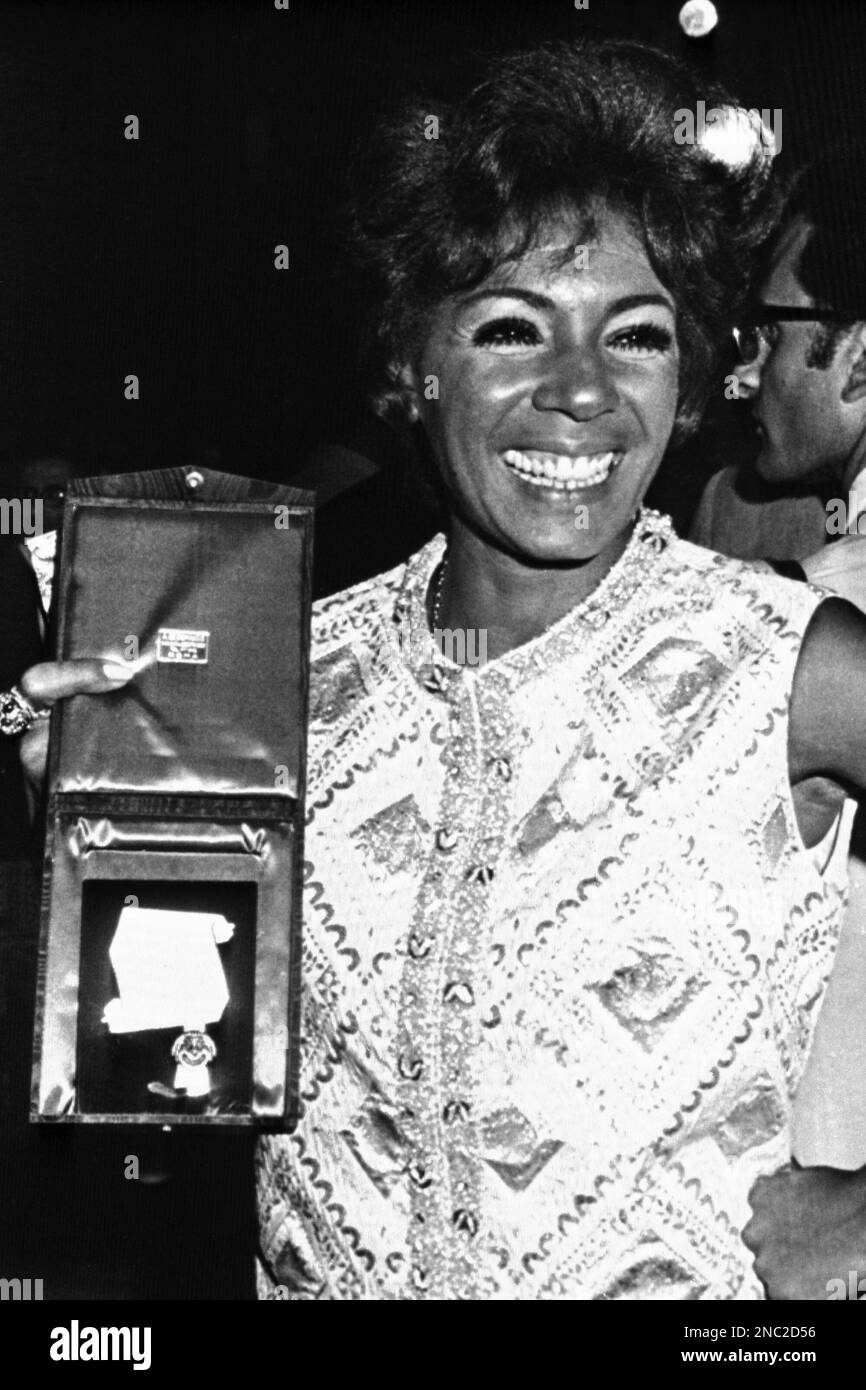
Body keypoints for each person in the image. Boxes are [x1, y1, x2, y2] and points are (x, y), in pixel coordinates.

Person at [11, 39, 866, 1299]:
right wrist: (93, 841)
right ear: (412, 363)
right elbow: (162, 1075)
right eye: (512, 328)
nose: (578, 391)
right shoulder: (280, 671)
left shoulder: (788, 667)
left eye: (635, 336)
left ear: (686, 377)